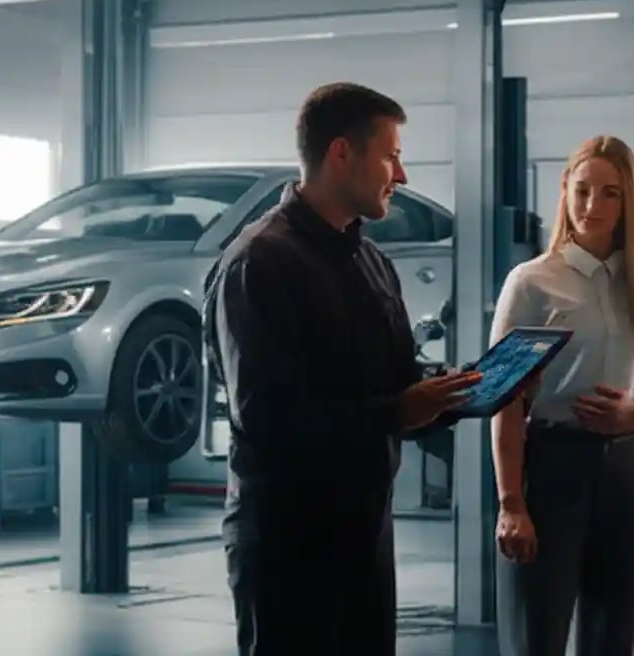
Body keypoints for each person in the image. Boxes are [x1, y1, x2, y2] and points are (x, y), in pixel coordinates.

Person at [201, 81, 482, 656]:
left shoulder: (372, 263)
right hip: (288, 544)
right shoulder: (260, 263)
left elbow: (394, 386)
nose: (400, 176)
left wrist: (452, 395)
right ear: (341, 153)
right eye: (391, 155)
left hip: (363, 535)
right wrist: (397, 410)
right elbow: (270, 418)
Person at [491, 135, 634, 656]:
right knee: (536, 637)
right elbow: (505, 400)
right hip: (551, 466)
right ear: (564, 191)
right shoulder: (532, 282)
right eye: (581, 190)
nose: (592, 206)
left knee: (615, 639)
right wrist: (511, 503)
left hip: (630, 472)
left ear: (629, 201)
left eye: (609, 193)